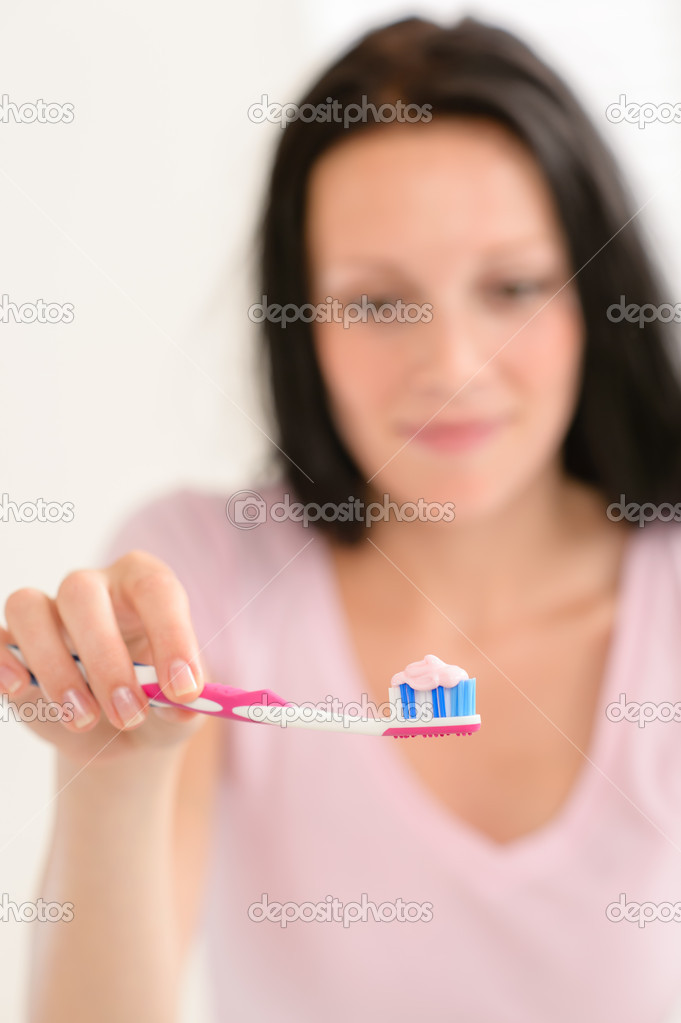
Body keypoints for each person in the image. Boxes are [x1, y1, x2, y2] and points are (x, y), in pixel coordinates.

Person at [3, 16, 681, 1023]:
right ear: (302, 321)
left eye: (512, 287)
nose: (453, 366)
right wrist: (109, 773)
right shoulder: (203, 580)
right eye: (376, 302)